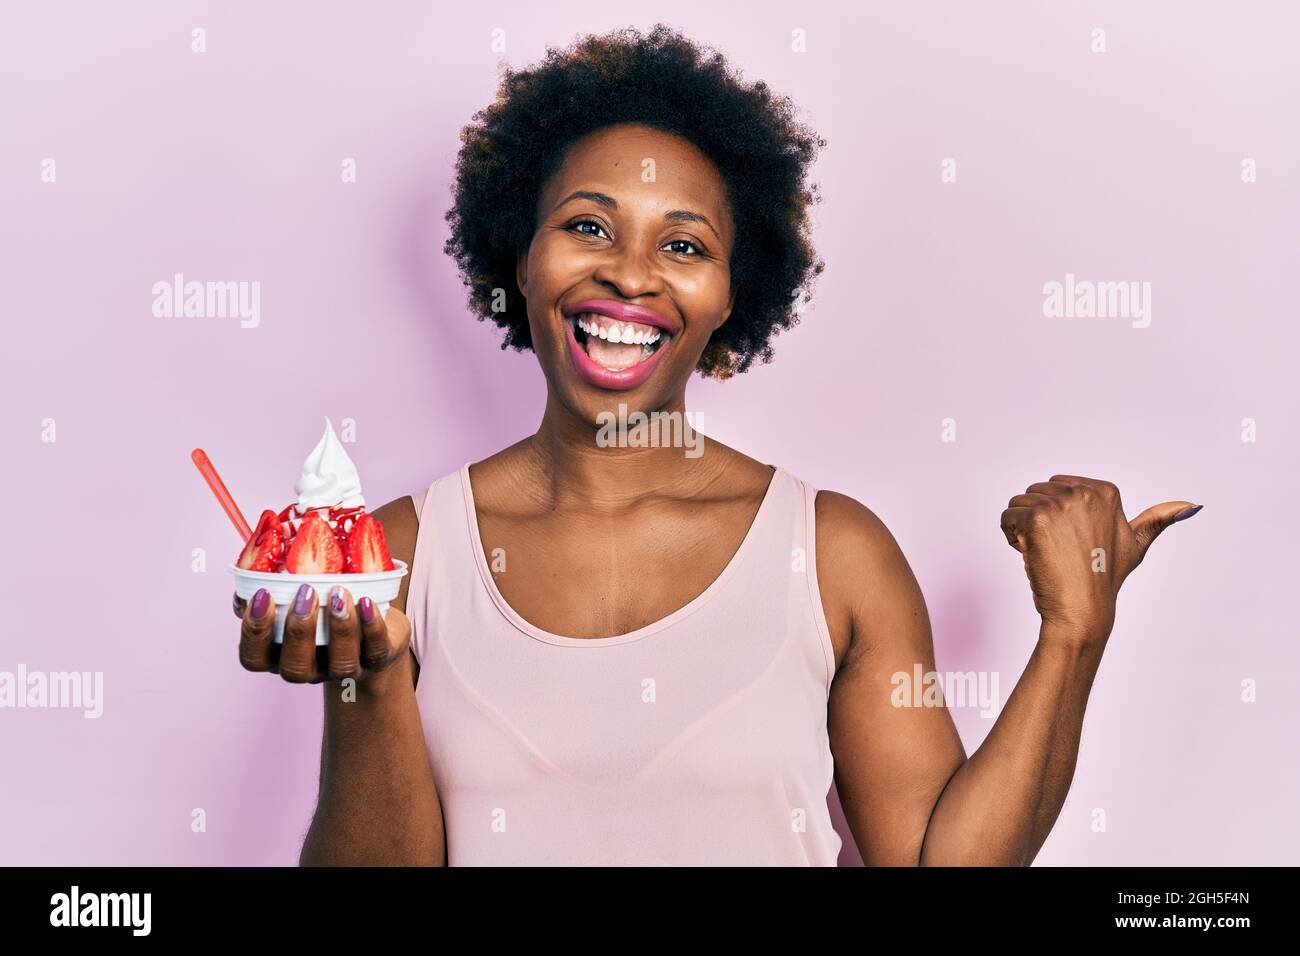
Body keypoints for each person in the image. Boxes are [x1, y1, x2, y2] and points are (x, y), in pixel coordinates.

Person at [234, 24, 1201, 866]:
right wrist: (363, 678)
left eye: (684, 246)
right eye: (586, 227)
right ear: (522, 261)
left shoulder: (833, 554)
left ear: (731, 298)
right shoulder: (394, 555)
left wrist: (1074, 634)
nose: (629, 274)